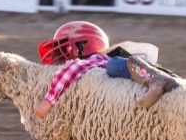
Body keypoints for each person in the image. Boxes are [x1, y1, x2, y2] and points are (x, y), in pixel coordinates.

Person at [33, 21, 177, 118]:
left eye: (63, 48)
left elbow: (74, 69)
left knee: (113, 66)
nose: (57, 55)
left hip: (144, 72)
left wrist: (48, 102)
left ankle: (156, 80)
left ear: (81, 46)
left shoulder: (91, 61)